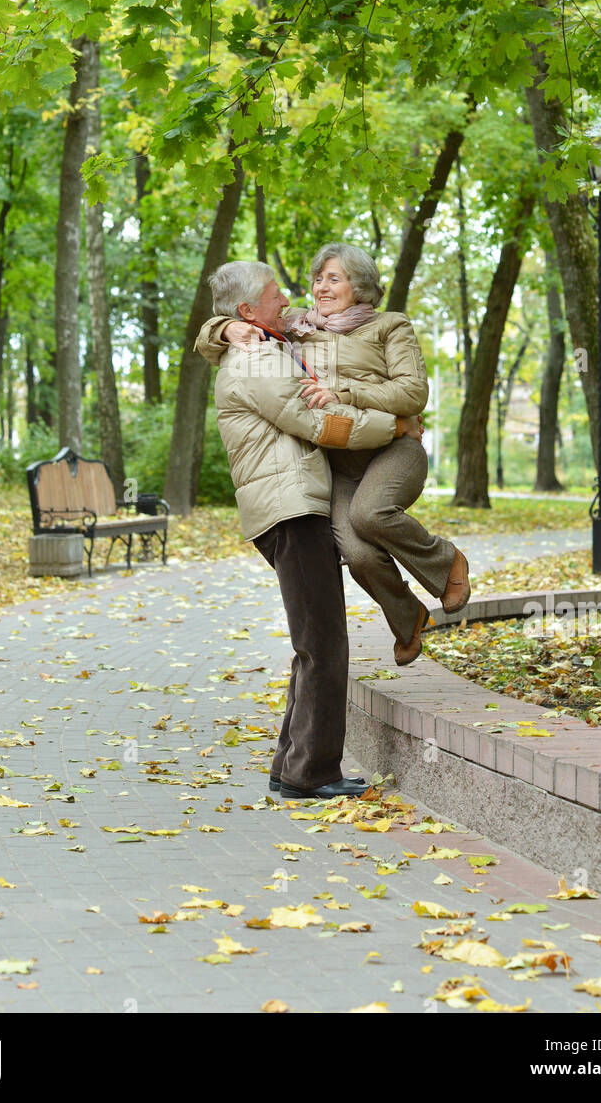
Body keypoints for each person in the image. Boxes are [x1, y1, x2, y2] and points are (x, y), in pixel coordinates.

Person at [203, 260, 424, 800]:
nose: (288, 300)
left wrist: (219, 326)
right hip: (291, 510)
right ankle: (314, 773)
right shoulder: (257, 359)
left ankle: (291, 765)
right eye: (275, 294)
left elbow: (219, 331)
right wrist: (394, 426)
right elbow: (317, 420)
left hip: (291, 507)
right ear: (249, 311)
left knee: (311, 644)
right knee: (324, 645)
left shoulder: (257, 341)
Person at [196, 242, 470, 667]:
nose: (320, 287)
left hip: (394, 447)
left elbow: (413, 392)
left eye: (333, 278)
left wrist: (347, 393)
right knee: (358, 554)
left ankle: (447, 561)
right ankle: (408, 617)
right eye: (318, 278)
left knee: (370, 515)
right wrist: (222, 329)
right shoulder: (298, 327)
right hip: (340, 463)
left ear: (358, 286)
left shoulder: (390, 327)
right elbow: (238, 314)